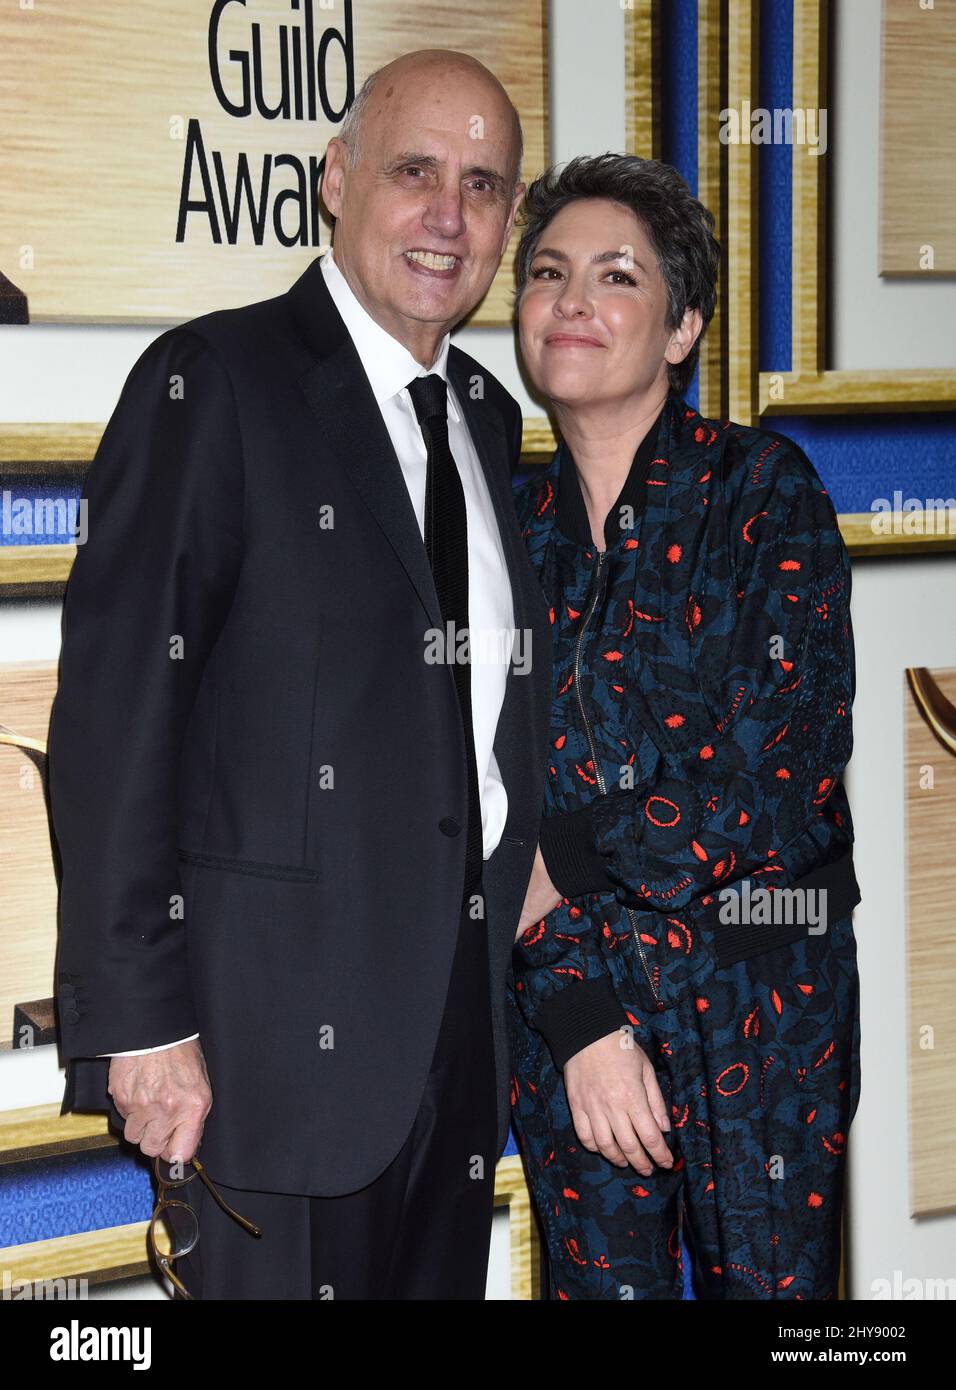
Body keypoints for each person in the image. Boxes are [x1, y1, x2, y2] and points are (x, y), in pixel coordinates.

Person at [47, 48, 553, 1300]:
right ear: (336, 180)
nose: (449, 216)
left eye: (483, 186)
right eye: (415, 172)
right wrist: (146, 1028)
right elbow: (117, 721)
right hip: (264, 1061)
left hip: (454, 1047)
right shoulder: (214, 381)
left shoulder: (488, 417)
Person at [507, 153, 862, 1300]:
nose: (571, 301)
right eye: (548, 272)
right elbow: (475, 800)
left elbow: (779, 775)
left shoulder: (764, 490)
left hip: (765, 1005)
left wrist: (568, 853)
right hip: (577, 1016)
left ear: (680, 327)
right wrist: (577, 1016)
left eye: (614, 277)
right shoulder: (497, 530)